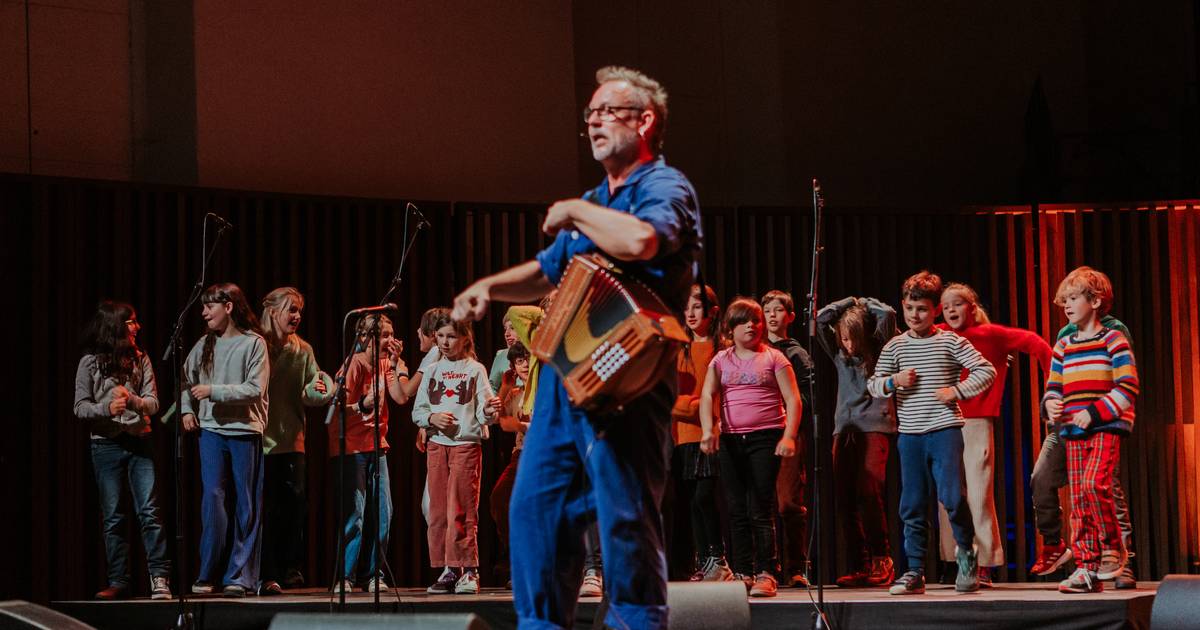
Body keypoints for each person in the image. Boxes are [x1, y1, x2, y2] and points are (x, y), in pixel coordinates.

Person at [452, 65, 701, 629]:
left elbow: (640, 241)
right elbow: (547, 273)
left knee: (625, 520)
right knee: (535, 512)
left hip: (630, 380)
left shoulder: (664, 186)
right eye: (588, 114)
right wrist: (487, 288)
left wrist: (572, 210)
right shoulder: (597, 197)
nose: (593, 122)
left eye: (606, 112)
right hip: (571, 377)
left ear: (645, 121)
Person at [866, 271, 996, 595]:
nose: (914, 315)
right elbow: (873, 384)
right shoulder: (895, 346)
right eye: (909, 308)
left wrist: (957, 390)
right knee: (911, 502)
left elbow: (986, 370)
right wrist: (894, 381)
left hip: (944, 429)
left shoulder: (951, 341)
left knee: (952, 497)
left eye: (921, 309)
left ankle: (966, 553)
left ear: (935, 310)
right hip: (910, 435)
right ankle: (914, 571)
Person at [933, 283, 1052, 586]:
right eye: (946, 306)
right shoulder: (938, 335)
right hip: (942, 423)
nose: (951, 311)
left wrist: (1054, 386)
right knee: (946, 498)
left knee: (977, 495)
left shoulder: (991, 335)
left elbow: (1037, 344)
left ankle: (983, 562)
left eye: (957, 304)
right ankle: (957, 562)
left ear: (971, 308)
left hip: (976, 424)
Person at [1042, 267, 1138, 593]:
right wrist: (1051, 403)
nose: (1066, 306)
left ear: (1095, 301)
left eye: (1073, 298)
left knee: (1095, 484)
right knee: (1079, 500)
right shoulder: (1064, 345)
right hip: (1073, 429)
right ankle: (1087, 567)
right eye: (1064, 300)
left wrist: (1094, 413)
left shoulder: (1114, 338)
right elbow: (1054, 386)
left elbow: (1127, 386)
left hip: (1106, 425)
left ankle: (1114, 547)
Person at [698, 298, 803, 598]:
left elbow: (793, 399)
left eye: (756, 321)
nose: (753, 326)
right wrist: (709, 430)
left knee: (761, 505)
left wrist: (789, 436)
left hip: (765, 436)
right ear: (731, 328)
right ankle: (743, 571)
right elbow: (707, 395)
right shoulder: (720, 360)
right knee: (735, 507)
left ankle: (766, 571)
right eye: (745, 321)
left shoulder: (774, 358)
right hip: (731, 439)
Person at [74, 300, 171, 600]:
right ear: (116, 326)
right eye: (131, 322)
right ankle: (119, 581)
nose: (137, 327)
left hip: (139, 441)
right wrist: (106, 407)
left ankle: (160, 578)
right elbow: (79, 407)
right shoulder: (89, 363)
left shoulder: (141, 359)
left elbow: (153, 403)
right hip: (105, 445)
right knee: (114, 515)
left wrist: (133, 401)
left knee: (149, 512)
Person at [181, 283, 270, 598]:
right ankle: (208, 572)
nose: (204, 312)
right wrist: (186, 410)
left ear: (229, 306)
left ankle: (241, 575)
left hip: (244, 430)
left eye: (210, 306)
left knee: (246, 504)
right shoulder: (204, 343)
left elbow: (254, 389)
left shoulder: (253, 344)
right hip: (211, 431)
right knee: (213, 501)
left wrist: (213, 391)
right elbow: (186, 378)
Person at [814, 297, 897, 588]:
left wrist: (865, 304)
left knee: (868, 491)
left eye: (853, 338)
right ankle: (859, 565)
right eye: (844, 339)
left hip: (874, 427)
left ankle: (881, 559)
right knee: (844, 499)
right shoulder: (839, 356)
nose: (848, 345)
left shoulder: (880, 351)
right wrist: (847, 303)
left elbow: (887, 313)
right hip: (844, 430)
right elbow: (820, 318)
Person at [412, 313, 498, 595]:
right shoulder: (433, 370)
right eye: (440, 337)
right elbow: (418, 411)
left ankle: (469, 570)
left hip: (464, 445)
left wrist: (488, 411)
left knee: (461, 508)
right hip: (437, 447)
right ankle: (449, 569)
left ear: (464, 339)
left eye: (451, 336)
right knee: (438, 510)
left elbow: (486, 410)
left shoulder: (475, 369)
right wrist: (432, 419)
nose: (445, 342)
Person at [328, 313, 411, 594]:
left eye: (391, 334)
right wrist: (362, 405)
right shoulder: (353, 365)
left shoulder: (388, 364)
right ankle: (346, 576)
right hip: (351, 448)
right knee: (356, 514)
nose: (390, 340)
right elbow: (337, 408)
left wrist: (397, 364)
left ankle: (374, 573)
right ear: (364, 338)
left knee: (384, 512)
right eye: (383, 336)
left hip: (378, 446)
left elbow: (401, 398)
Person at [258, 287, 334, 594]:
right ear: (274, 311)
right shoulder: (257, 345)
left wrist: (323, 386)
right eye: (291, 309)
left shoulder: (303, 350)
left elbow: (315, 388)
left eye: (299, 311)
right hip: (260, 440)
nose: (297, 316)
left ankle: (289, 568)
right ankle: (266, 572)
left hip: (292, 440)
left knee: (294, 508)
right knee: (265, 509)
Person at [672, 285, 731, 582]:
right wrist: (688, 406)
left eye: (697, 307)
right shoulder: (678, 348)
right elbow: (672, 397)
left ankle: (718, 558)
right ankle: (705, 560)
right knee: (692, 501)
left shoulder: (723, 349)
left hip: (712, 432)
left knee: (705, 497)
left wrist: (700, 408)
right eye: (687, 308)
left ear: (713, 311)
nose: (691, 313)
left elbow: (717, 396)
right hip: (682, 436)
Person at [760, 289, 814, 587]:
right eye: (767, 309)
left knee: (789, 502)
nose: (771, 315)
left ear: (790, 316)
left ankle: (796, 567)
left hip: (787, 433)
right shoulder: (753, 351)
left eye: (778, 310)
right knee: (759, 503)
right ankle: (764, 567)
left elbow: (807, 397)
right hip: (757, 434)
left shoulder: (795, 353)